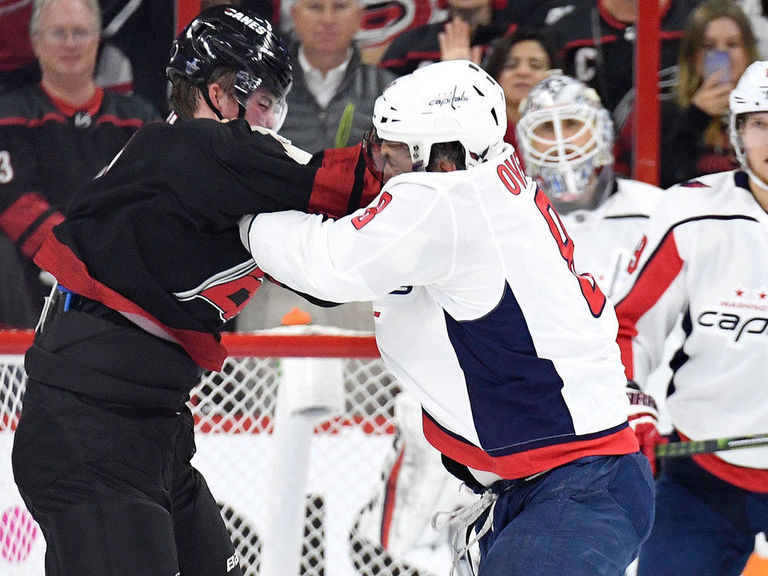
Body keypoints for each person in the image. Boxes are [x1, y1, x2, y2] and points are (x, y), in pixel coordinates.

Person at [240, 59, 655, 575]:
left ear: (443, 159)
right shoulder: (487, 181)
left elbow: (327, 264)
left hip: (576, 487)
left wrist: (241, 217)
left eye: (393, 153)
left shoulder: (449, 203)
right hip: (555, 484)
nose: (378, 167)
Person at [10, 6, 379, 575]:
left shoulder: (210, 175)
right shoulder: (200, 150)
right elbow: (355, 183)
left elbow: (323, 275)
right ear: (221, 92)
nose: (270, 121)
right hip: (89, 435)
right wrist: (429, 148)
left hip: (149, 430)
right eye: (263, 103)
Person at [611, 60, 768, 576]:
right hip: (701, 474)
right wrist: (632, 400)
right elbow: (628, 326)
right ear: (737, 133)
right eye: (760, 123)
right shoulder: (691, 215)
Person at [0, 0, 161, 326]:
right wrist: (79, 259)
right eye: (58, 33)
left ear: (98, 38)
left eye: (81, 32)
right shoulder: (8, 115)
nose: (71, 43)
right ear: (36, 41)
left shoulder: (140, 119)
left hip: (127, 284)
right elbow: (17, 205)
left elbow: (158, 201)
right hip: (31, 288)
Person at [659, 0, 758, 189]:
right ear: (692, 55)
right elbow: (664, 179)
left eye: (732, 44)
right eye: (709, 46)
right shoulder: (667, 110)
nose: (722, 53)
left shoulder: (764, 106)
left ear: (748, 51)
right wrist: (696, 116)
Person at [483, 27, 559, 151]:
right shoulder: (480, 134)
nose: (523, 72)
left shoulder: (569, 129)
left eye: (536, 66)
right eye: (511, 65)